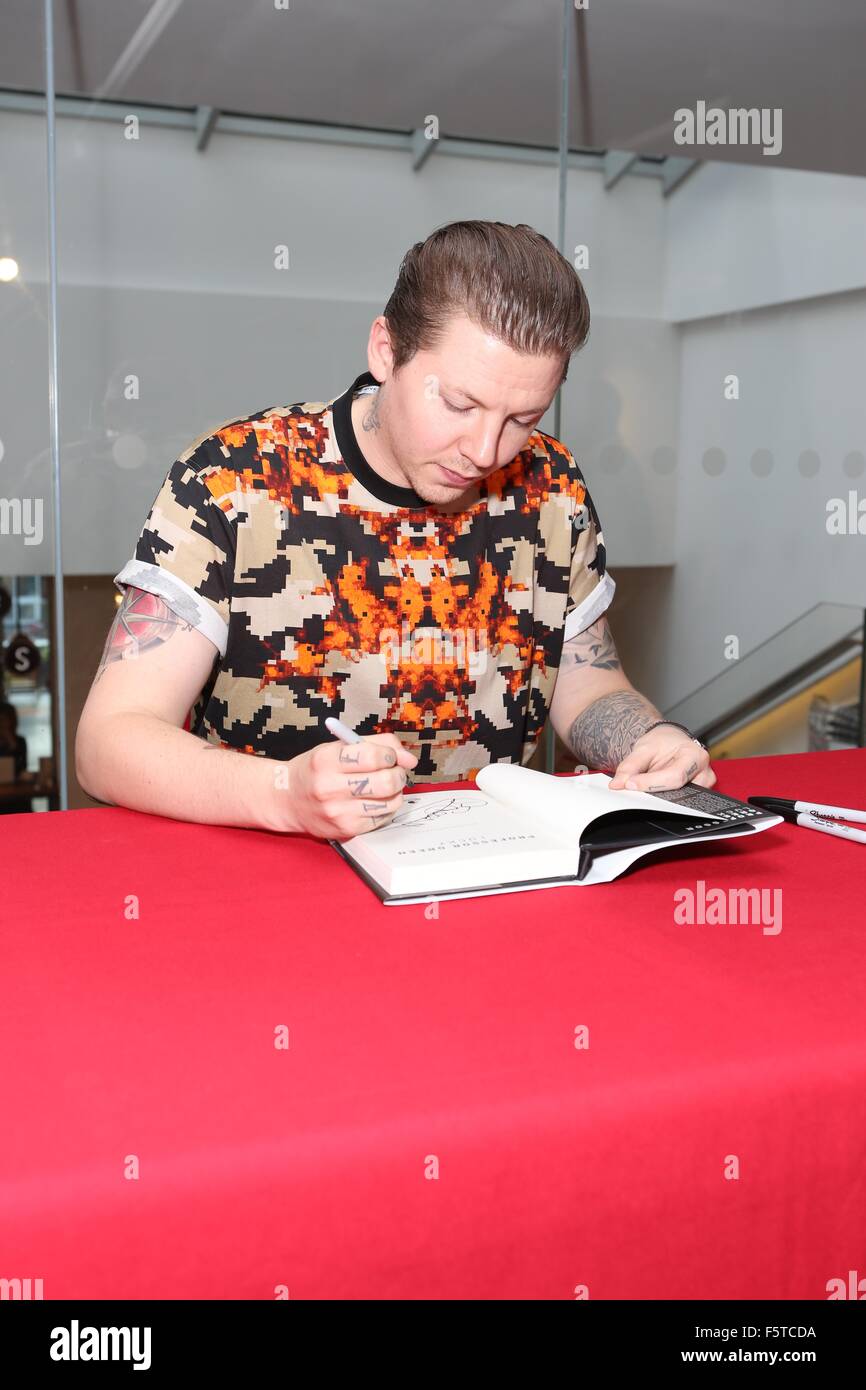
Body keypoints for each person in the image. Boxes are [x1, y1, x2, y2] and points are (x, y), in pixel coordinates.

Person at [76, 220, 715, 840]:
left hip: (487, 875)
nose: (487, 449)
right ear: (386, 350)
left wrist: (648, 738)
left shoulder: (552, 485)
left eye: (523, 416)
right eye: (460, 405)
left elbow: (588, 682)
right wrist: (285, 797)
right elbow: (111, 741)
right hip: (271, 880)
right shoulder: (234, 477)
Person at [0, 700, 31, 814]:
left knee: (20, 806)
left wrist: (12, 744)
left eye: (5, 720)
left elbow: (22, 767)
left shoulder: (20, 741)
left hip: (17, 792)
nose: (3, 724)